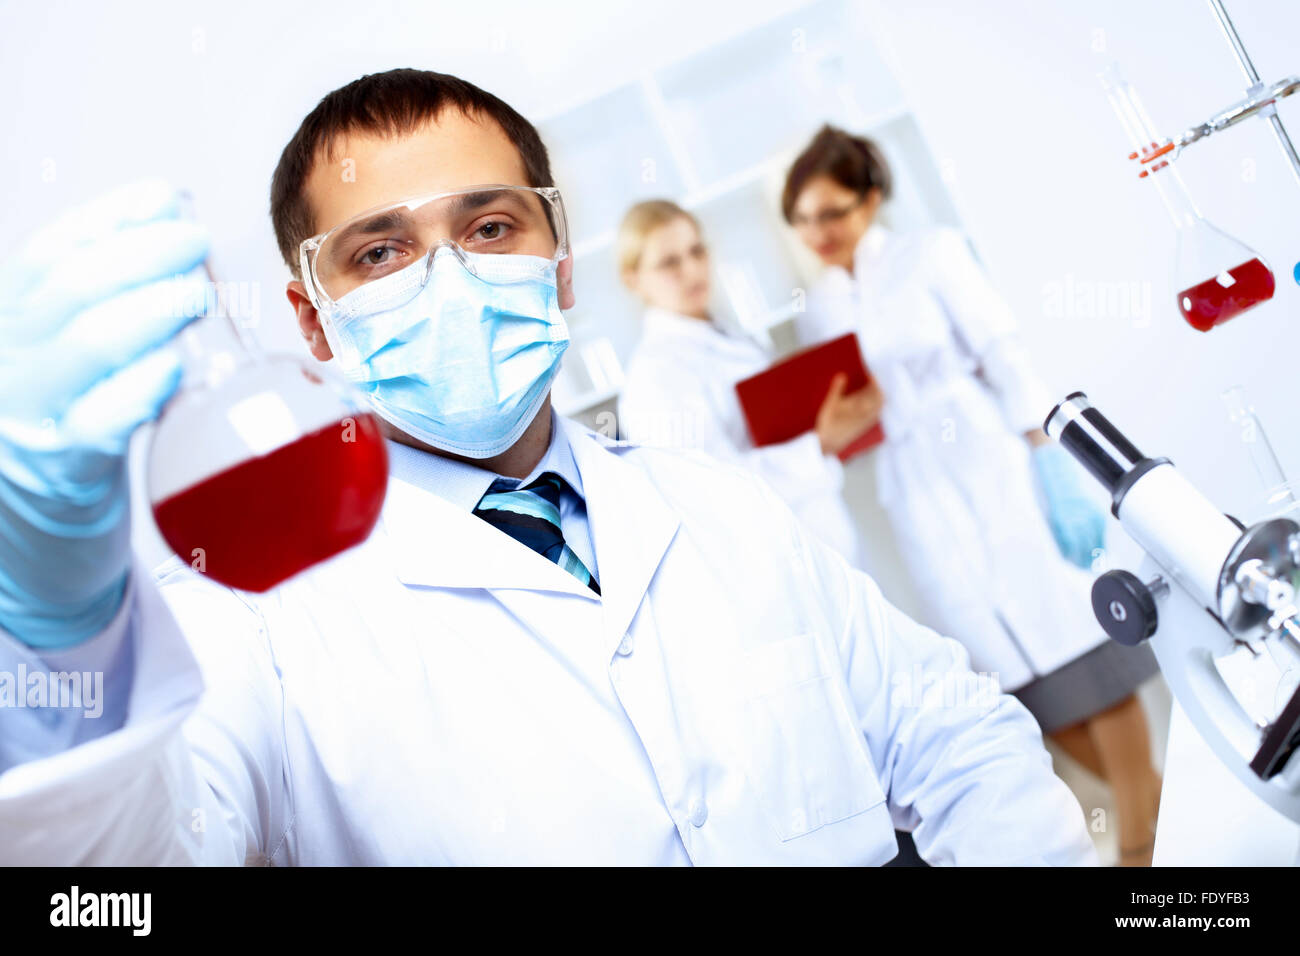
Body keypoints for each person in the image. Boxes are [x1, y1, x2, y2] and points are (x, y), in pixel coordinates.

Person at [0, 71, 1098, 866]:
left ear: (559, 269)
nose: (448, 278)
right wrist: (57, 639)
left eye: (488, 225)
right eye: (379, 250)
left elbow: (951, 732)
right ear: (314, 318)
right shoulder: (256, 623)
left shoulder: (715, 505)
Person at [782, 124, 1163, 865]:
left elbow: (1003, 348)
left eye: (832, 213)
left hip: (993, 463)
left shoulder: (931, 253)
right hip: (913, 491)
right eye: (802, 221)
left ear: (871, 197)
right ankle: (1143, 812)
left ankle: (1142, 843)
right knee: (1018, 678)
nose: (817, 234)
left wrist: (1047, 457)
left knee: (1079, 648)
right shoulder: (819, 305)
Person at [616, 199, 880, 568]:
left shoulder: (730, 336)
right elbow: (711, 494)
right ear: (633, 279)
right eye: (669, 262)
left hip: (827, 544)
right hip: (775, 565)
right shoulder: (656, 377)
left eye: (696, 251)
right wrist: (820, 444)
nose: (691, 269)